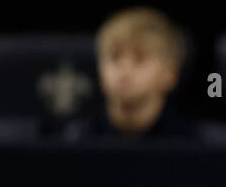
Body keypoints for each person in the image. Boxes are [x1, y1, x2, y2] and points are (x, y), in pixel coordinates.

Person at [66, 8, 198, 140]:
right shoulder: (77, 139)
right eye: (114, 57)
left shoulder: (195, 143)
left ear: (170, 74)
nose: (124, 69)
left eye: (140, 59)